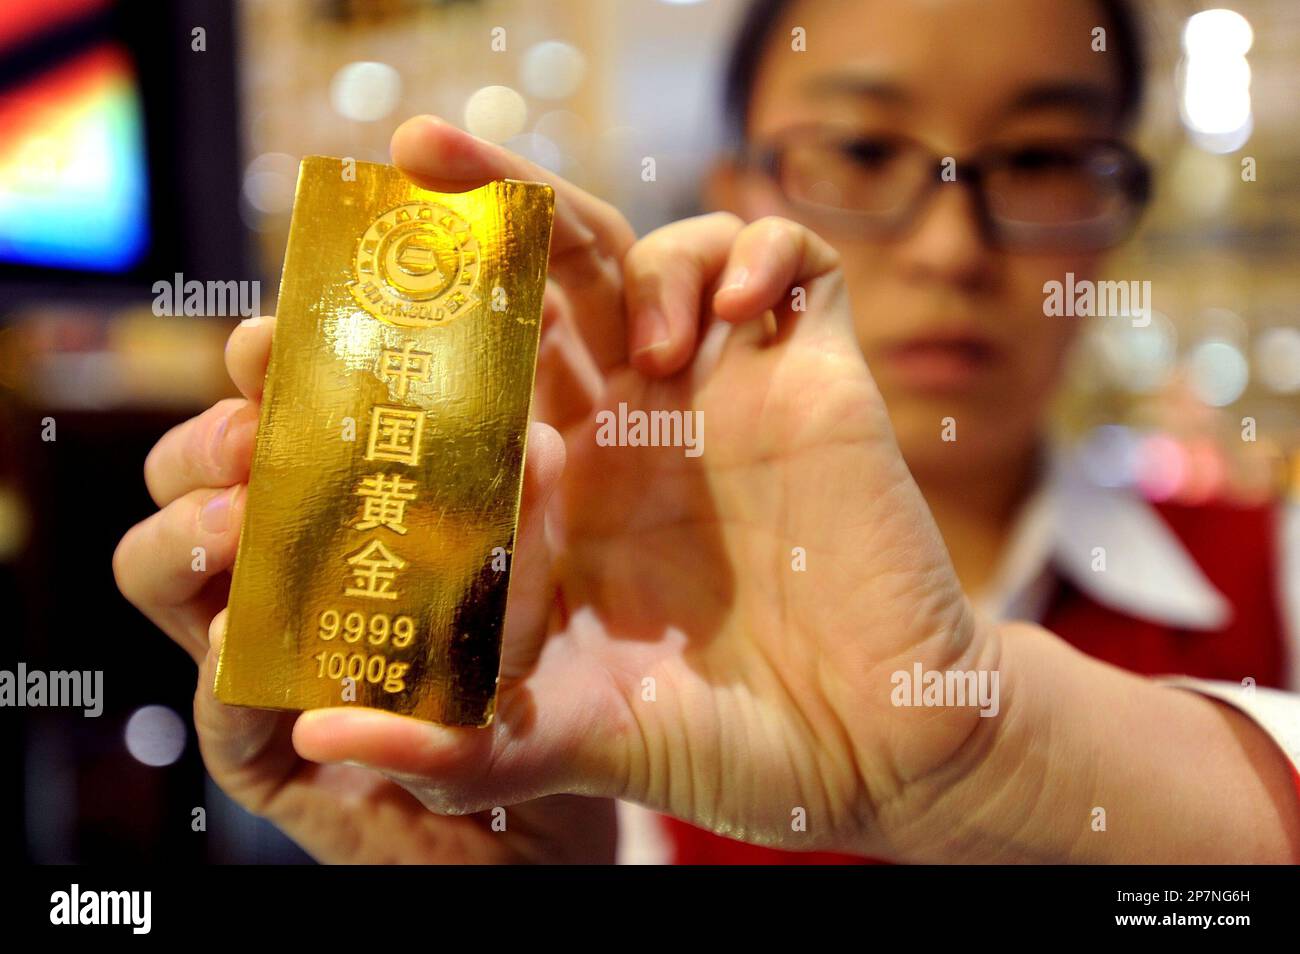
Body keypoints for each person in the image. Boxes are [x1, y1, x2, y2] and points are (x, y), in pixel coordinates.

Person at [113, 0, 1300, 864]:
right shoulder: (556, 654)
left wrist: (992, 751)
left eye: (1039, 159)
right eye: (863, 150)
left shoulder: (1282, 571)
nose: (951, 247)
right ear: (737, 190)